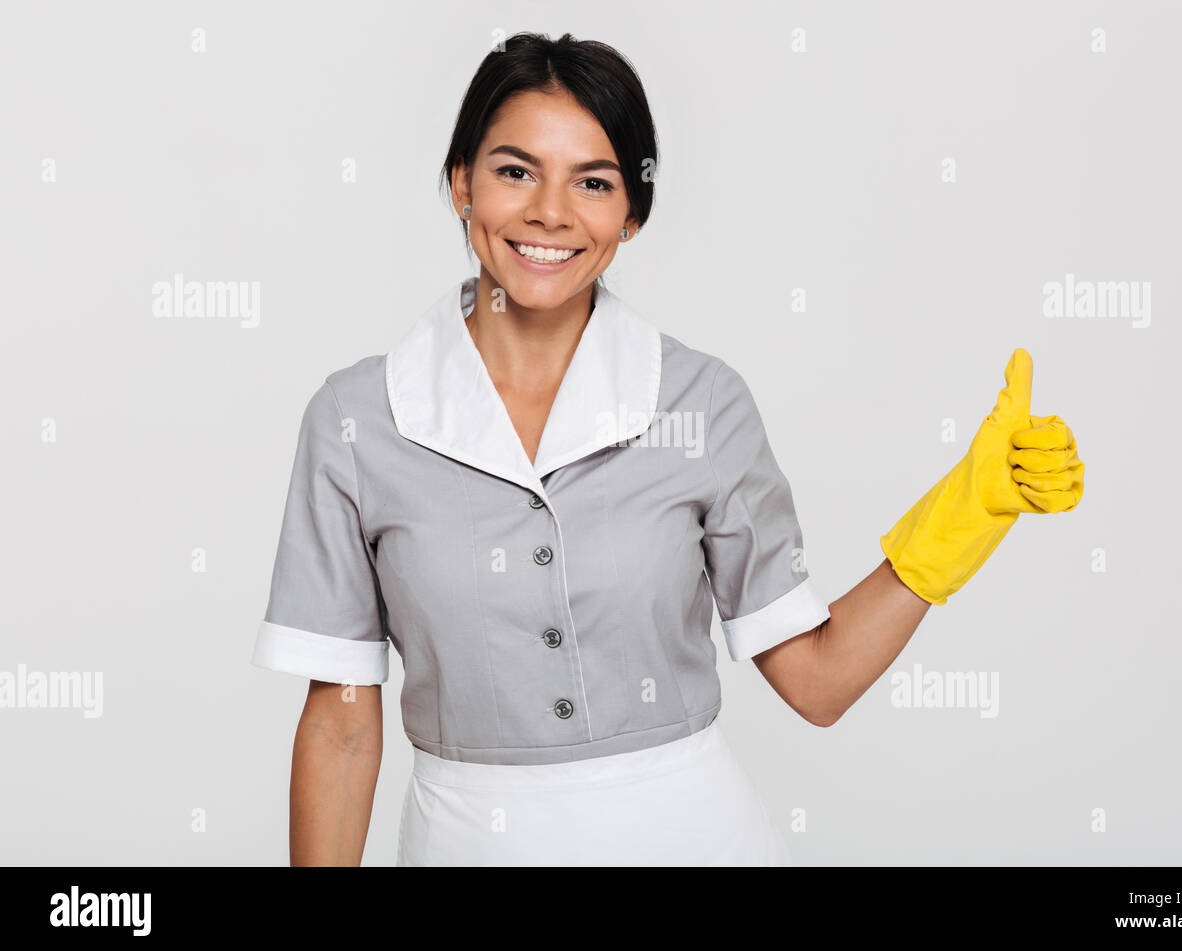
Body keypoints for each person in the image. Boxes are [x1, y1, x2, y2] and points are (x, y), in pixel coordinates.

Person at [252, 32, 1085, 866]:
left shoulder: (702, 403)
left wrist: (961, 518)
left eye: (594, 182)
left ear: (632, 213)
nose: (551, 211)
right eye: (515, 170)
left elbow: (817, 683)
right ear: (461, 182)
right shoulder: (358, 420)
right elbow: (341, 722)